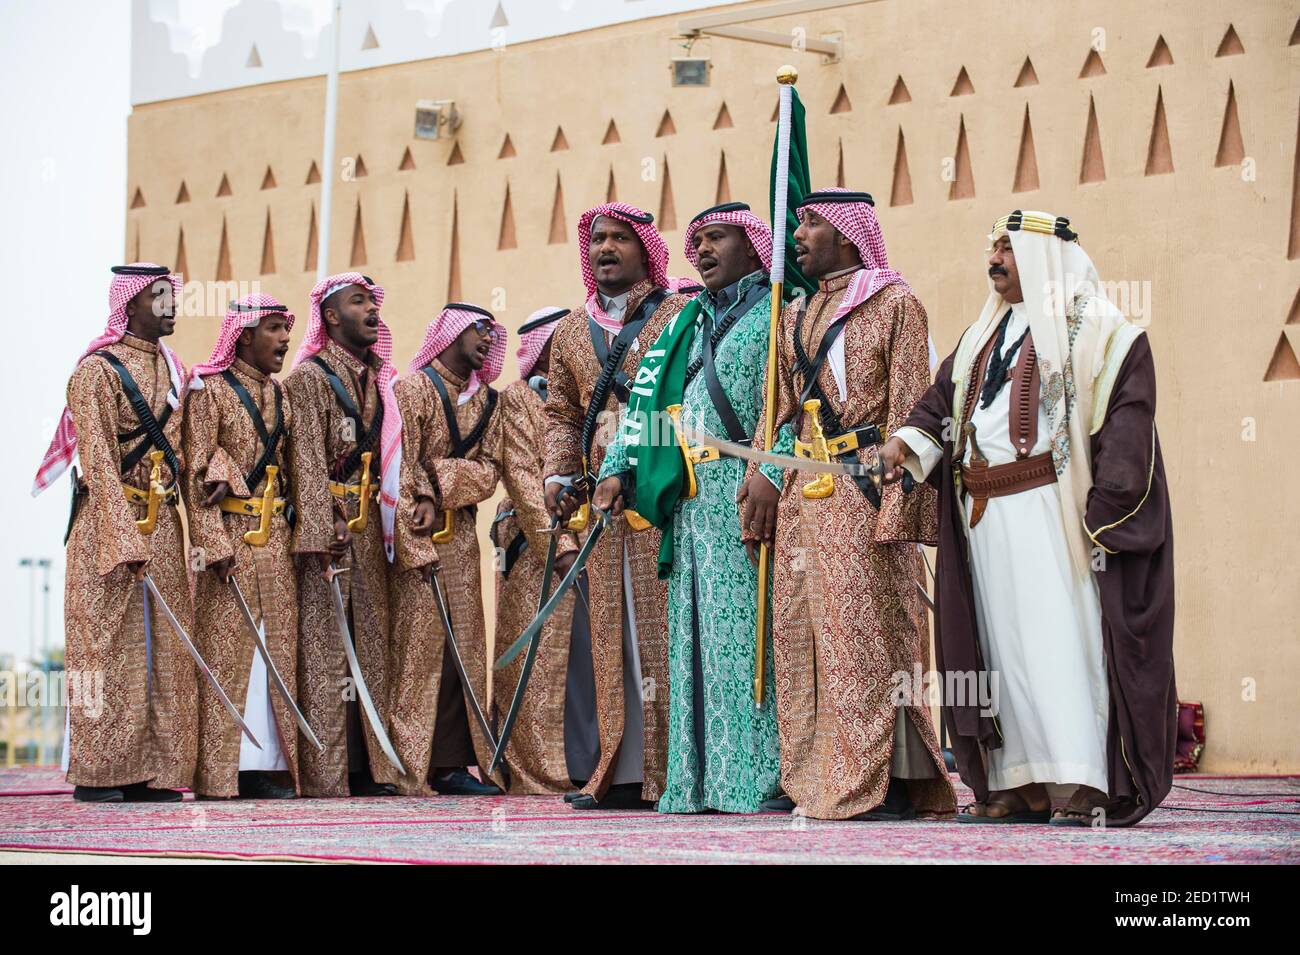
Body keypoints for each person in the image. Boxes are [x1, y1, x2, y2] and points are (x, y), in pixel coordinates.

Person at [877, 210, 1177, 826]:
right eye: (991, 251)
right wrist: (908, 441)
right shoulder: (984, 334)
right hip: (983, 517)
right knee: (1002, 655)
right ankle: (1020, 784)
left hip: (1056, 515)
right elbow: (942, 402)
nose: (995, 262)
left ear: (1045, 259)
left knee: (1062, 648)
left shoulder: (1103, 331)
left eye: (1008, 251)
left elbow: (1128, 418)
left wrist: (1107, 512)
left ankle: (1087, 783)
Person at [740, 189, 955, 821]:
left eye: (810, 223)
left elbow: (913, 407)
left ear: (847, 233)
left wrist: (899, 507)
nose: (798, 234)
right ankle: (814, 775)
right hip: (803, 497)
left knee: (868, 634)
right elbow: (774, 414)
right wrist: (760, 479)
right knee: (802, 635)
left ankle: (881, 779)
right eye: (798, 222)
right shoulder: (797, 313)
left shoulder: (896, 304)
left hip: (865, 488)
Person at [592, 202, 781, 813]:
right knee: (693, 642)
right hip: (690, 505)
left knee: (745, 640)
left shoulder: (777, 313)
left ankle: (756, 779)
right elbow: (647, 401)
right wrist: (619, 465)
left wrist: (768, 471)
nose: (700, 250)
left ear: (753, 248)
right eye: (695, 240)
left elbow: (787, 407)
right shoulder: (686, 319)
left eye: (716, 239)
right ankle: (697, 781)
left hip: (747, 492)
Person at [542, 202, 689, 809]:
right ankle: (617, 770)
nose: (606, 249)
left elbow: (690, 400)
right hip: (599, 508)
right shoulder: (573, 330)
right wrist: (558, 473)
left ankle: (669, 771)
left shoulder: (680, 314)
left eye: (619, 240)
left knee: (664, 635)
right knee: (610, 635)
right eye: (597, 240)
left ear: (645, 249)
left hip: (663, 497)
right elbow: (561, 411)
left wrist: (645, 470)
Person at [34, 263, 197, 803]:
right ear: (129, 304)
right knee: (104, 648)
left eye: (173, 296)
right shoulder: (95, 372)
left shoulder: (178, 372)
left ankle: (154, 772)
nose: (170, 305)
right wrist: (123, 536)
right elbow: (99, 459)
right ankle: (101, 773)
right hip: (108, 525)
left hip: (163, 525)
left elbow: (186, 451)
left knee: (162, 649)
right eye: (159, 296)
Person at [284, 272, 402, 797]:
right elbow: (304, 456)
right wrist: (319, 521)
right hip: (327, 531)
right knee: (325, 648)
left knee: (372, 645)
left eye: (374, 302)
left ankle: (369, 767)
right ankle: (327, 774)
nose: (372, 310)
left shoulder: (378, 378)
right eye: (359, 303)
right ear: (331, 316)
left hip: (371, 526)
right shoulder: (308, 378)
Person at [183, 293, 299, 800]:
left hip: (276, 539)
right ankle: (221, 772)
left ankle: (267, 765)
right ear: (245, 335)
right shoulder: (208, 391)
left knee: (273, 654)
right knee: (229, 655)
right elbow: (195, 470)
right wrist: (211, 544)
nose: (284, 339)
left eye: (287, 328)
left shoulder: (282, 396)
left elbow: (295, 474)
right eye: (274, 329)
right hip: (228, 544)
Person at [388, 304, 505, 797]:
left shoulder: (491, 403)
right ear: (452, 333)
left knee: (465, 651)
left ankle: (454, 764)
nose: (486, 339)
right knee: (417, 651)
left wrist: (439, 482)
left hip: (461, 538)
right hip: (416, 534)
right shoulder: (411, 390)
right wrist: (425, 499)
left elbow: (491, 470)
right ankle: (405, 765)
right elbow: (399, 462)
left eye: (491, 333)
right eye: (478, 330)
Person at [491, 306, 599, 793]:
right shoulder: (516, 400)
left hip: (588, 543)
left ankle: (587, 763)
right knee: (539, 658)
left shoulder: (583, 399)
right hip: (538, 548)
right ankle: (539, 768)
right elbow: (523, 478)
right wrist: (560, 548)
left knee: (585, 659)